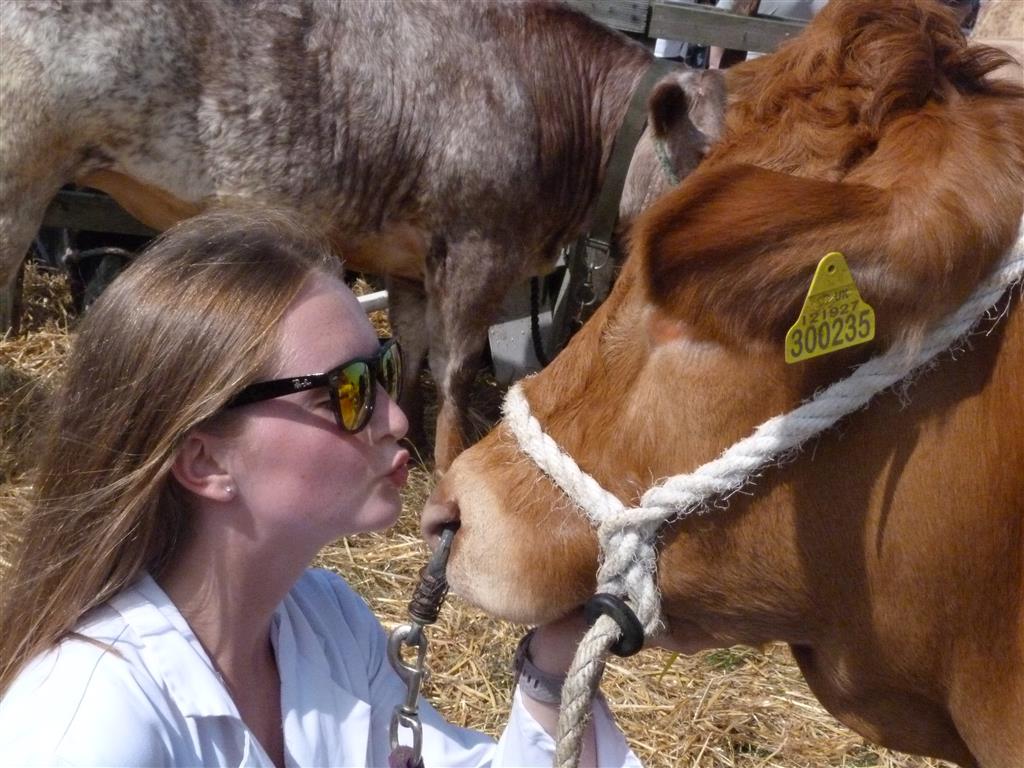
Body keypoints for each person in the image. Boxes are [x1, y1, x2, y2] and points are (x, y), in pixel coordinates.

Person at [0, 207, 640, 767]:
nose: (395, 420)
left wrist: (553, 671)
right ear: (204, 463)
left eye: (383, 370)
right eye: (348, 393)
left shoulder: (322, 620)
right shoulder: (89, 725)